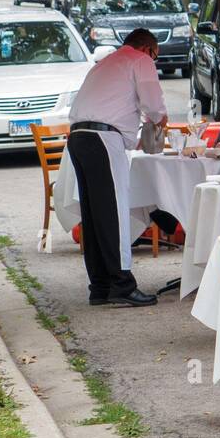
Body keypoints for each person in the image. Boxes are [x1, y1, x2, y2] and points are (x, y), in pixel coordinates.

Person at [67, 28, 167, 307]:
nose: (154, 62)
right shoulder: (140, 60)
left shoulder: (107, 63)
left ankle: (99, 285)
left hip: (78, 136)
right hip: (103, 138)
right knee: (113, 212)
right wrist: (160, 118)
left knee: (93, 213)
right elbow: (154, 104)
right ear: (148, 49)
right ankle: (122, 282)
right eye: (155, 57)